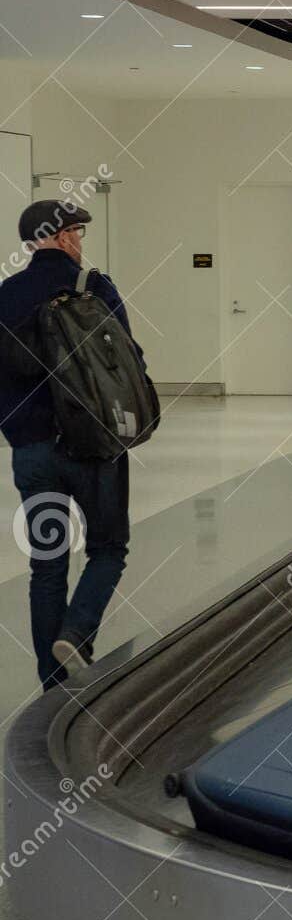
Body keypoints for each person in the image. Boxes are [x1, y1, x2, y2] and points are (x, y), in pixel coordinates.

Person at [0, 200, 135, 689]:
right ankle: (76, 635)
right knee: (108, 548)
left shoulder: (5, 296)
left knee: (47, 564)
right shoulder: (94, 288)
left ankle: (53, 686)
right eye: (77, 231)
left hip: (33, 452)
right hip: (94, 446)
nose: (80, 240)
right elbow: (128, 358)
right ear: (59, 237)